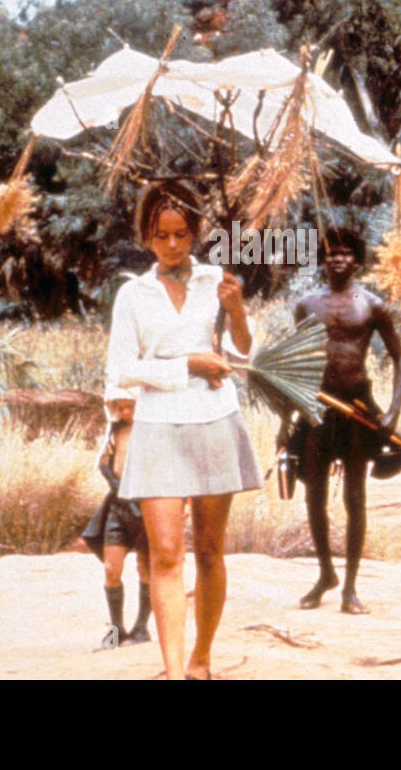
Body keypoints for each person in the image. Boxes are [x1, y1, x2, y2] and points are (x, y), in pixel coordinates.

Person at [104, 179, 261, 680]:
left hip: (214, 421)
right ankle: (174, 673)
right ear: (146, 236)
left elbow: (240, 356)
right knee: (167, 554)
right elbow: (123, 371)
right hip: (158, 428)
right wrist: (188, 364)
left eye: (180, 233)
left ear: (195, 231)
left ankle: (201, 661)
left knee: (211, 550)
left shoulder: (216, 281)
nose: (171, 245)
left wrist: (235, 311)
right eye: (159, 235)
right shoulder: (133, 294)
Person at [279, 225, 401, 614]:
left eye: (345, 253)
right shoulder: (306, 306)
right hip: (317, 409)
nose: (338, 258)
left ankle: (350, 588)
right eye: (331, 252)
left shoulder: (372, 306)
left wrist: (392, 411)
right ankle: (324, 574)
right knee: (313, 495)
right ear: (323, 259)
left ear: (357, 261)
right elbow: (296, 363)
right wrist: (285, 421)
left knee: (355, 497)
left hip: (357, 409)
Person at [80, 398, 152, 649]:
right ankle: (116, 631)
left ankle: (142, 627)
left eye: (130, 406)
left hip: (147, 503)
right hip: (119, 504)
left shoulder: (153, 428)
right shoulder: (115, 430)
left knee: (146, 566)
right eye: (120, 408)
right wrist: (119, 487)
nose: (125, 412)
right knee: (112, 568)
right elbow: (104, 463)